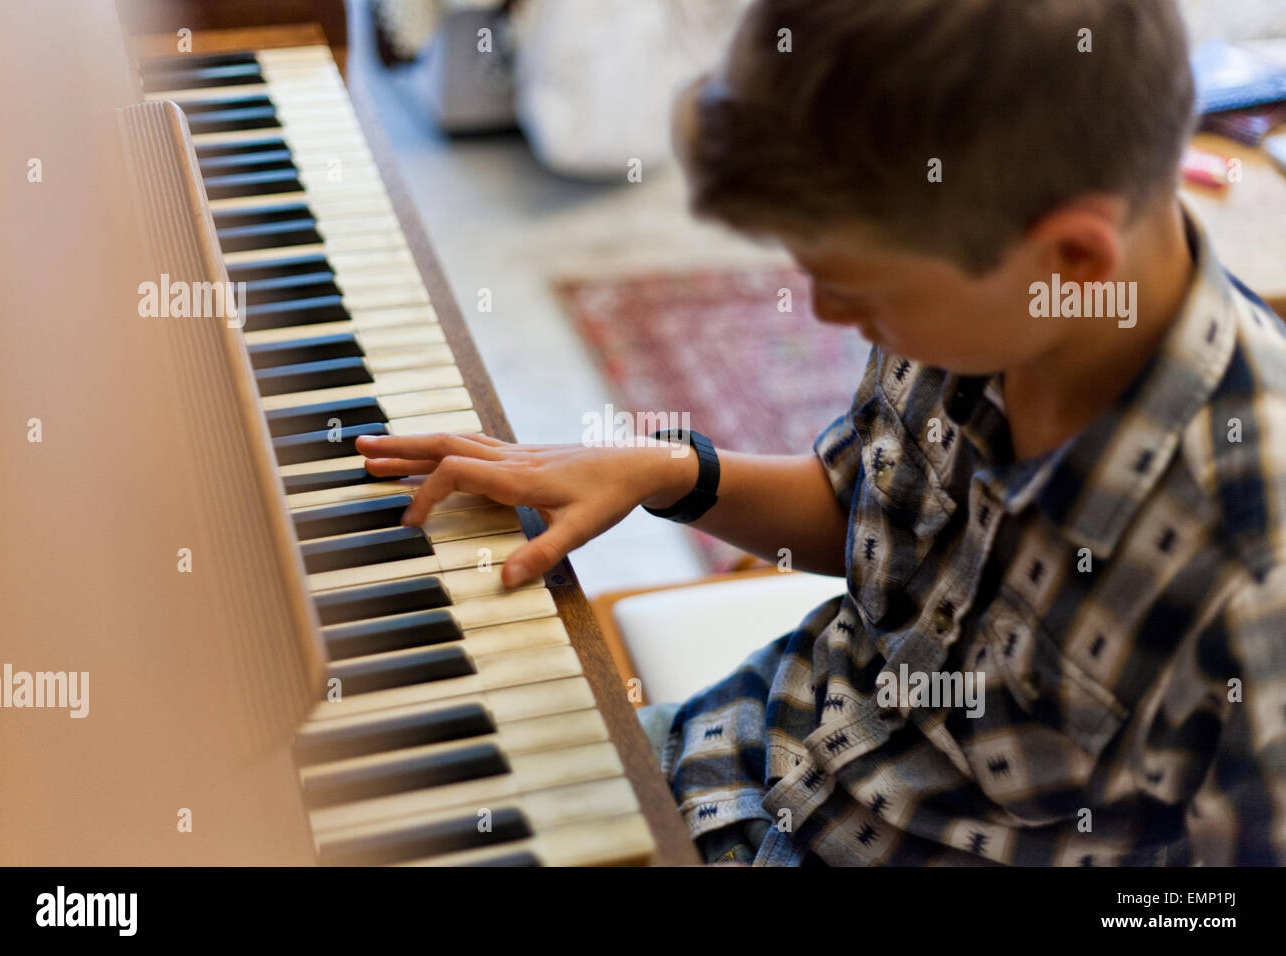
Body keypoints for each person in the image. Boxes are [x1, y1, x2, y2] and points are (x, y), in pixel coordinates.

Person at [355, 0, 1286, 865]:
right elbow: (867, 515)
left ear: (1074, 258)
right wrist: (669, 474)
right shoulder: (989, 311)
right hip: (736, 761)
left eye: (862, 287)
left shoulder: (1251, 573)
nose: (827, 313)